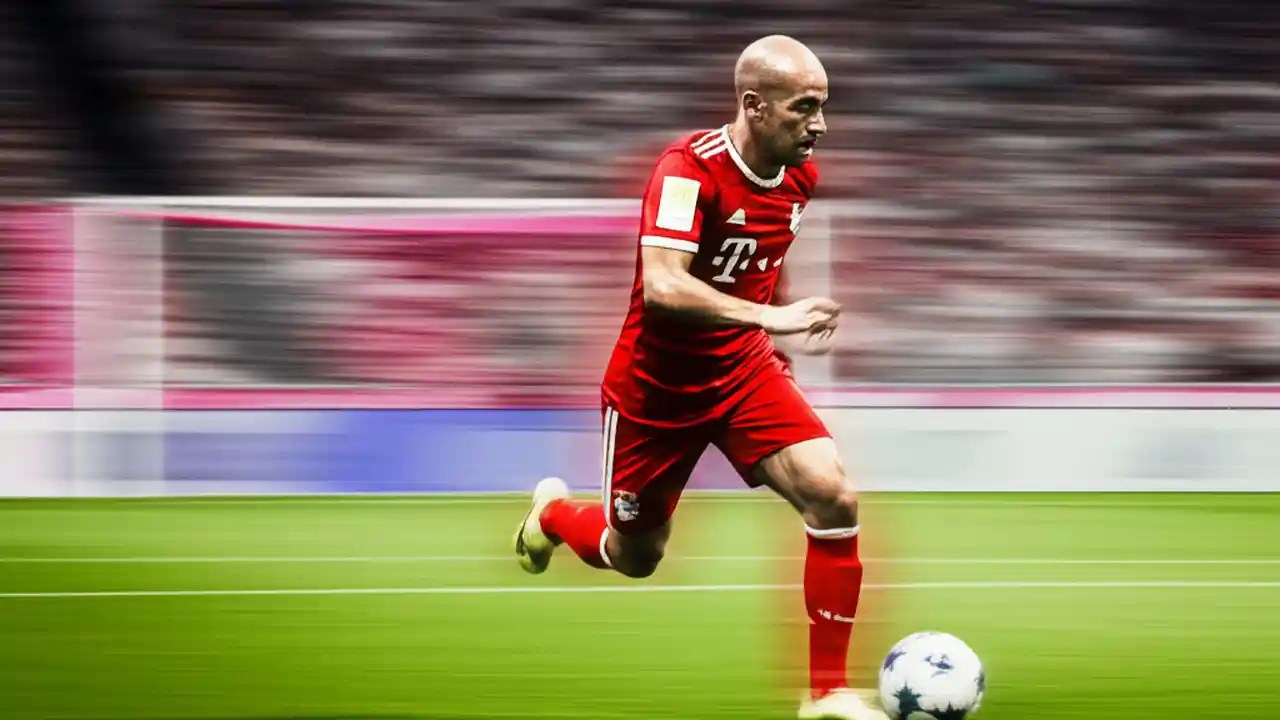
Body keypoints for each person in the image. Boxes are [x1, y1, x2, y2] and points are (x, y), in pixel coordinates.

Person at [514, 35, 885, 720]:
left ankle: (827, 693)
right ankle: (552, 515)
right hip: (656, 392)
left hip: (744, 373)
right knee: (635, 556)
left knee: (833, 496)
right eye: (805, 108)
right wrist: (769, 319)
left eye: (824, 108)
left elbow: (767, 261)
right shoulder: (687, 171)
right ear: (755, 105)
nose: (820, 125)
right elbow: (662, 286)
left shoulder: (801, 175)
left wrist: (780, 333)